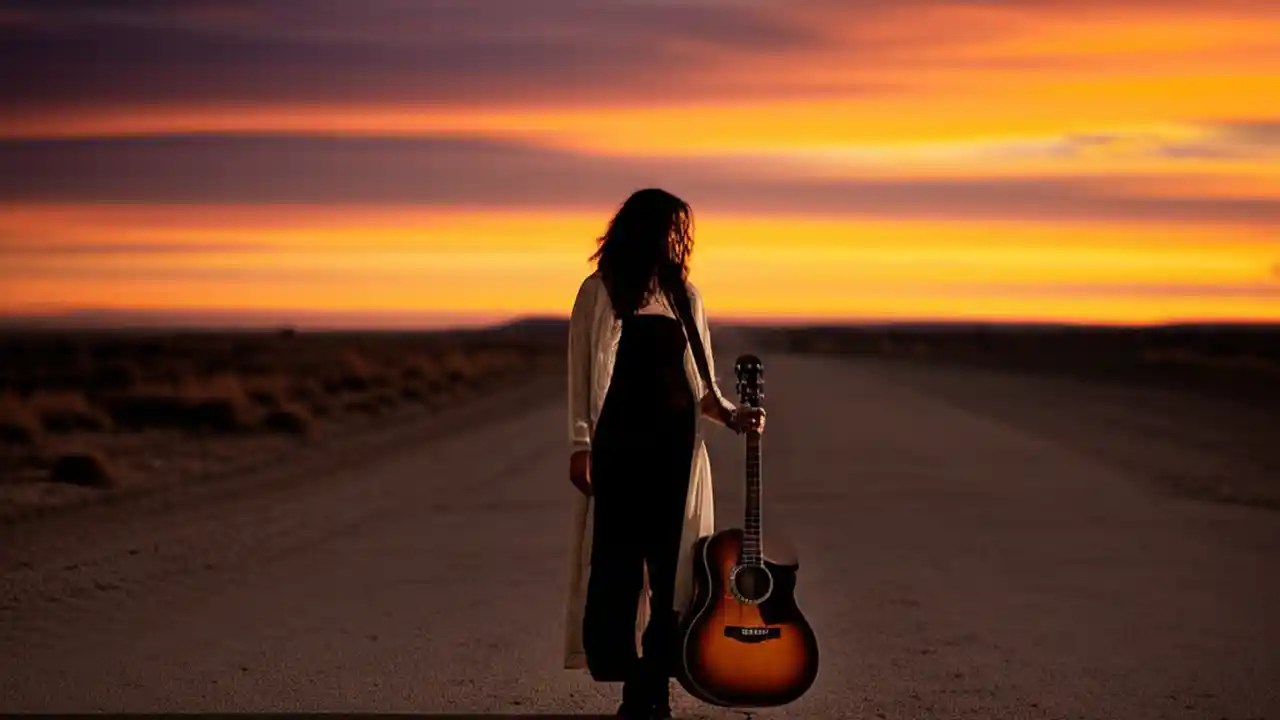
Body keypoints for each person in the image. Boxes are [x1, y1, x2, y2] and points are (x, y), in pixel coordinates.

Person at [562, 188, 766, 720]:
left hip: (675, 449)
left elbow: (703, 386)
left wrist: (732, 416)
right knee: (620, 569)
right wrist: (581, 445)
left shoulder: (685, 295)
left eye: (681, 231)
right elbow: (583, 377)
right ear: (643, 229)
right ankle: (630, 676)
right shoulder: (600, 291)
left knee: (675, 572)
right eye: (670, 228)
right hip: (621, 448)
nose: (677, 239)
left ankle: (652, 688)